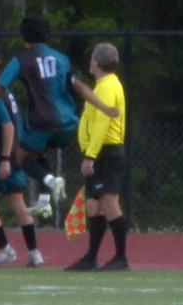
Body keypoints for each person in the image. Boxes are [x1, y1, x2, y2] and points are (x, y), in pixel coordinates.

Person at [0, 16, 118, 219]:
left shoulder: (21, 59)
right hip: (67, 124)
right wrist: (104, 107)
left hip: (42, 122)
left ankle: (51, 180)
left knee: (18, 157)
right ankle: (45, 203)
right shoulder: (61, 58)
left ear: (24, 37)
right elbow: (79, 86)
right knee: (38, 152)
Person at [0, 53, 44, 267]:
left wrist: (3, 158)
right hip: (11, 156)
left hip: (3, 159)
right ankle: (34, 252)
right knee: (18, 205)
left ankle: (5, 249)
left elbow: (8, 127)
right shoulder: (7, 94)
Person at [64, 42, 129, 272]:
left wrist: (90, 156)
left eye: (92, 57)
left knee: (109, 202)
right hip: (99, 150)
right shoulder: (102, 85)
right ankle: (91, 258)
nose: (90, 60)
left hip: (105, 151)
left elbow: (102, 123)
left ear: (98, 62)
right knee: (93, 205)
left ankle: (121, 257)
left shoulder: (107, 87)